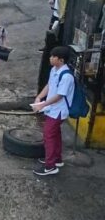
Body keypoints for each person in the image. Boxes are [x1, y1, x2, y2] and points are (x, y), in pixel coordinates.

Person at [33, 46, 76, 177]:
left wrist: (42, 105)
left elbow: (59, 96)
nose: (50, 58)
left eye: (53, 57)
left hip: (59, 110)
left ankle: (50, 166)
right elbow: (49, 85)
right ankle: (56, 159)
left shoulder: (67, 76)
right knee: (55, 134)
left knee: (48, 136)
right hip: (52, 108)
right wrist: (39, 97)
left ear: (61, 60)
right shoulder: (54, 70)